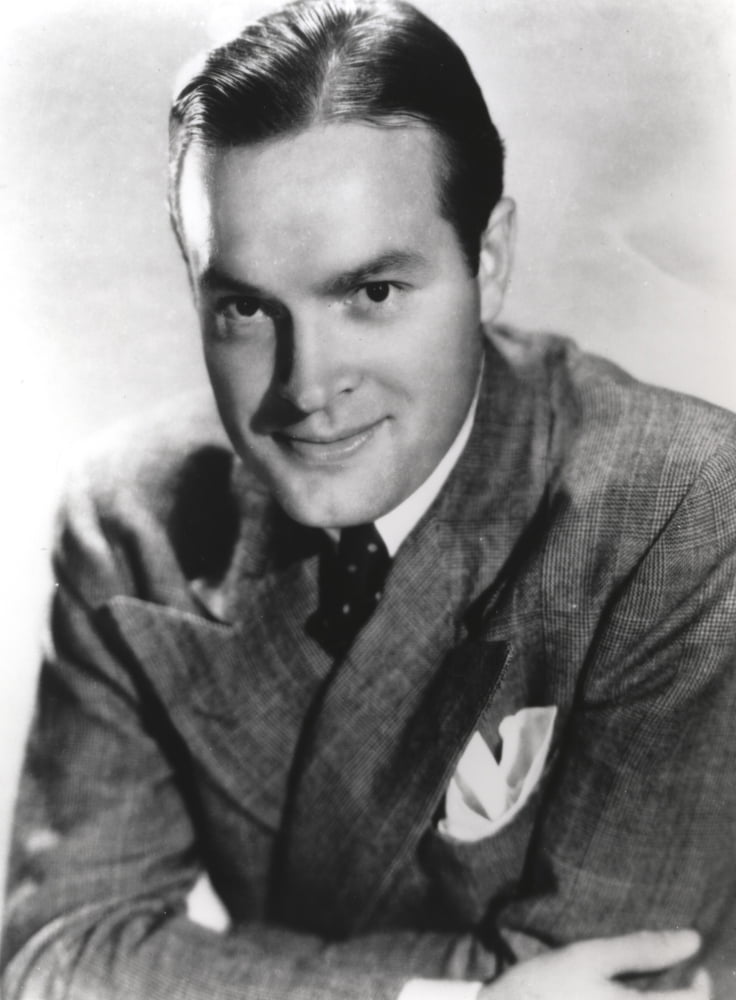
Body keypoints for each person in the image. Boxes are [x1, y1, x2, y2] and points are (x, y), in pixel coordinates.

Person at [2, 0, 733, 997]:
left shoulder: (678, 509)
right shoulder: (130, 522)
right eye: (246, 307)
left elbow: (623, 983)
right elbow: (57, 958)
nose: (307, 386)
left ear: (489, 260)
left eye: (372, 293)